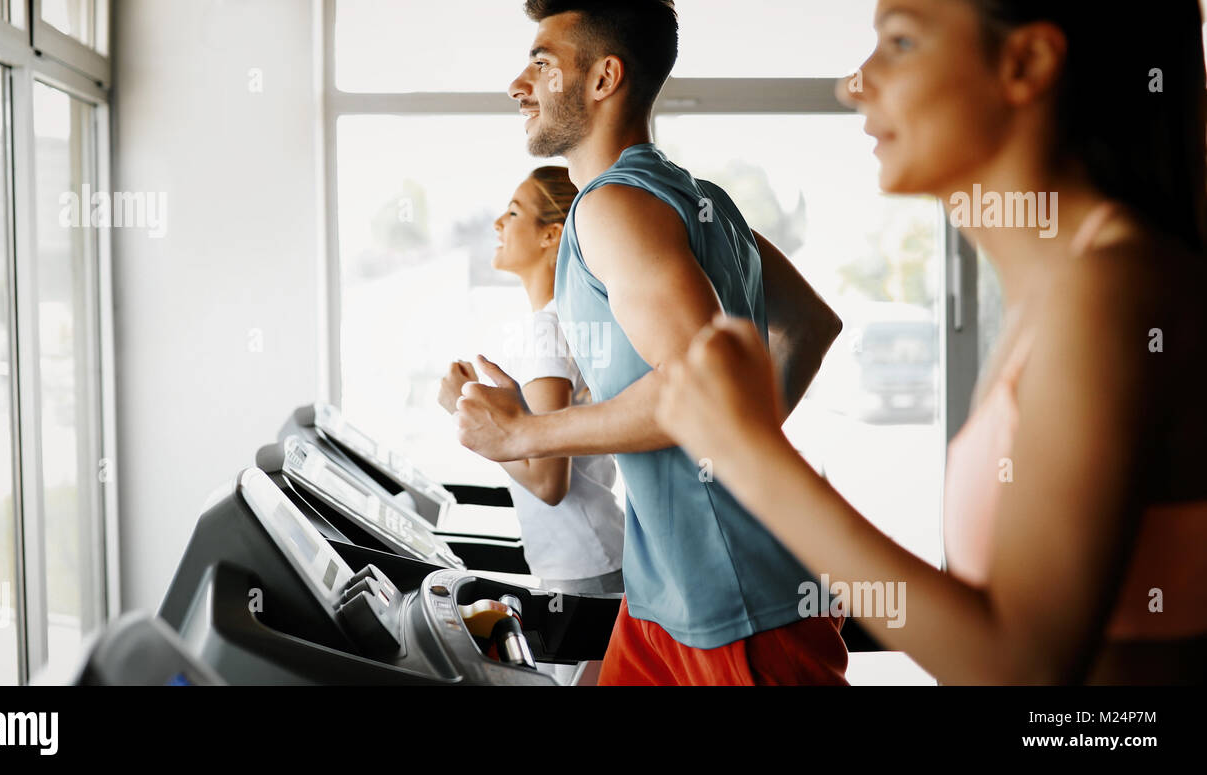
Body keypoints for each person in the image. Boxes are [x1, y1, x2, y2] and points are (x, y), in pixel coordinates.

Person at [656, 0, 1207, 684]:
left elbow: (1024, 669)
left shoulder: (1112, 288)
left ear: (1026, 63)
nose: (853, 83)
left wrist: (752, 456)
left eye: (901, 40)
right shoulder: (1060, 289)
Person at [453, 0, 848, 685]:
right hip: (662, 590)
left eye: (542, 64)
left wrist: (523, 433)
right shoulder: (704, 201)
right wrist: (733, 446)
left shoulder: (611, 207)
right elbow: (811, 326)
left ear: (604, 78)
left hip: (736, 598)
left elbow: (696, 382)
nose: (518, 84)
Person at [437, 166, 625, 598]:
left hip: (582, 567)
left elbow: (547, 482)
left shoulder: (546, 331)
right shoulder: (568, 320)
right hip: (592, 555)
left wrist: (465, 416)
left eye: (514, 213)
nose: (498, 223)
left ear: (550, 234)